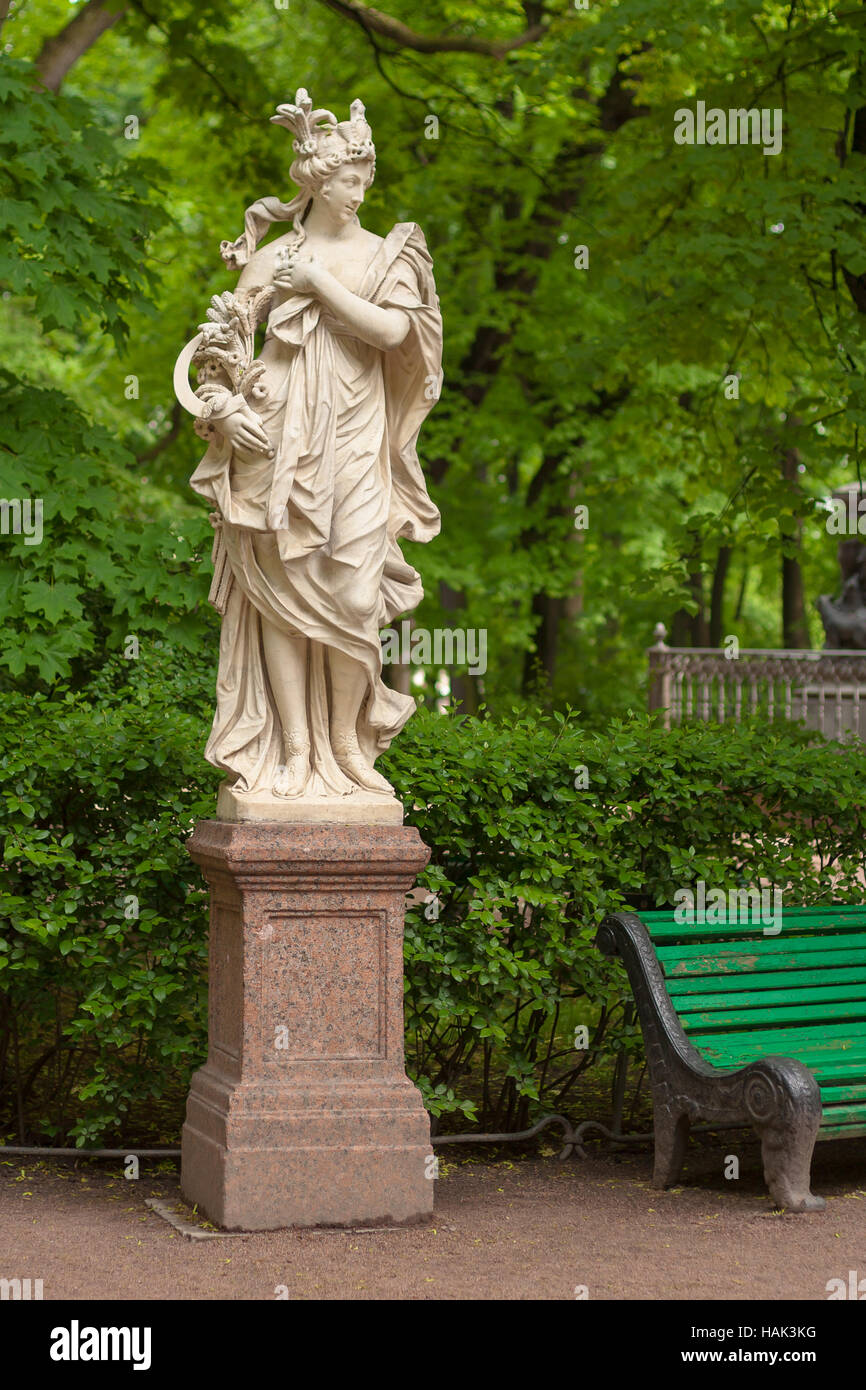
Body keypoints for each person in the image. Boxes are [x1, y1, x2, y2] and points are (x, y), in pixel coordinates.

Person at [181, 89, 442, 801]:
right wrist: (221, 411)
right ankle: (294, 750)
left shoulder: (387, 253)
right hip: (273, 436)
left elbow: (393, 333)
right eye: (349, 179)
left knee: (355, 593)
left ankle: (347, 746)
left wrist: (319, 282)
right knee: (279, 595)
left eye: (364, 179)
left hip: (355, 435)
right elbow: (215, 357)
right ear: (319, 182)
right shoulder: (271, 258)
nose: (360, 192)